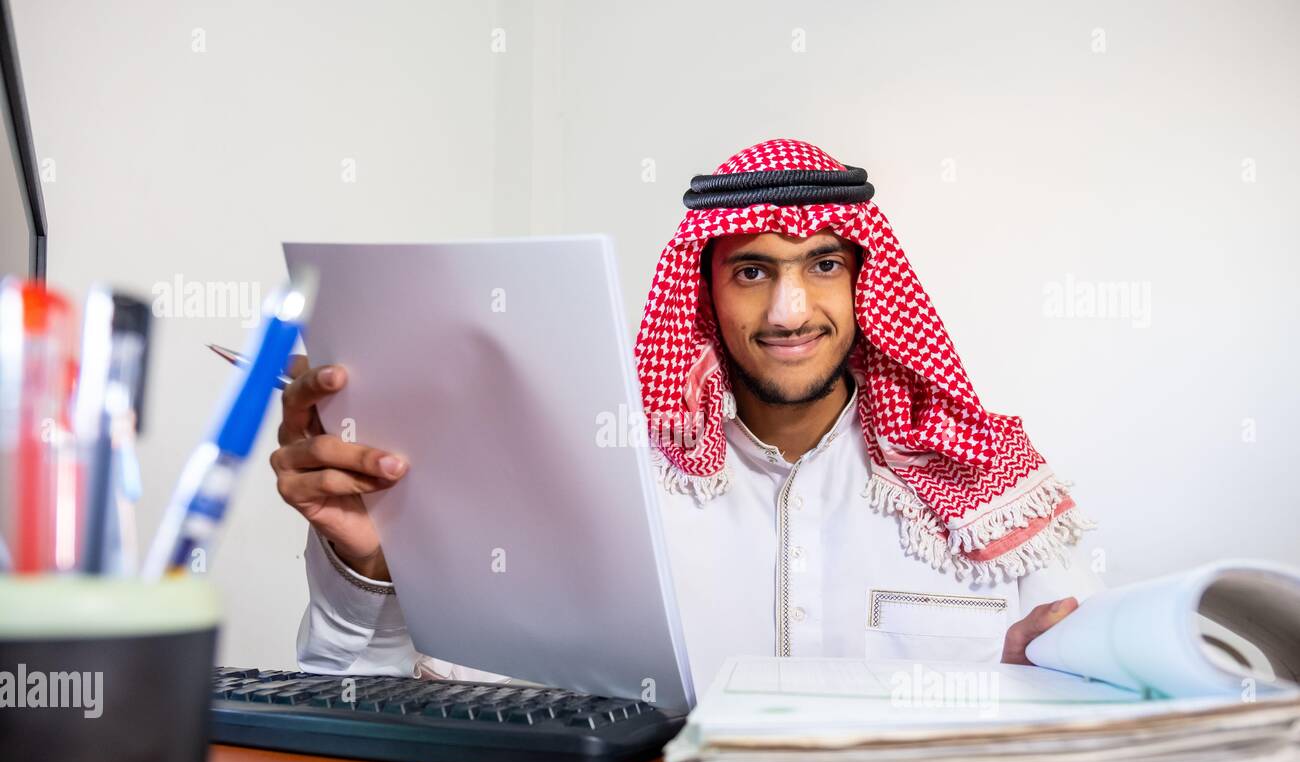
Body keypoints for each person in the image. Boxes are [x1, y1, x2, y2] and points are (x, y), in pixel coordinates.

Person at [271, 138, 1105, 692]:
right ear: (703, 290)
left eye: (822, 265)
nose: (788, 310)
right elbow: (378, 707)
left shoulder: (991, 493)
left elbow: (1092, 721)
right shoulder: (603, 487)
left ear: (867, 283)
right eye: (751, 271)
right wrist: (376, 571)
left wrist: (1021, 689)